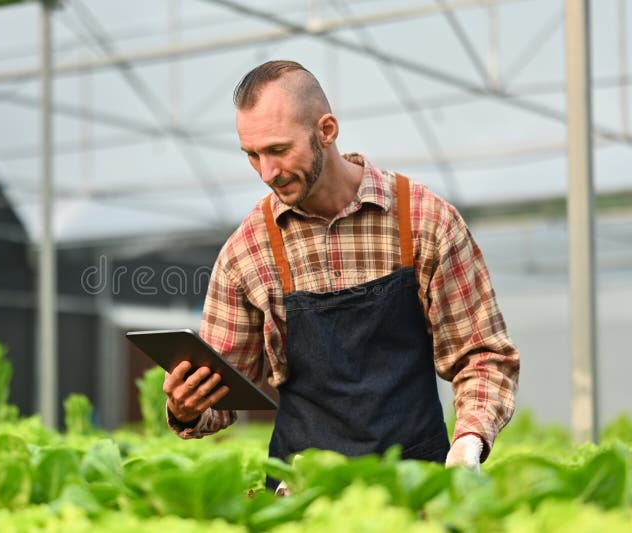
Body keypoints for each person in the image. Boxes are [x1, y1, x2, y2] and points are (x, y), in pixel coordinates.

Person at [163, 60, 519, 491]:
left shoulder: (424, 220)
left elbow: (482, 355)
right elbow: (220, 395)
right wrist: (188, 406)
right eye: (252, 155)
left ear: (326, 130)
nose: (266, 172)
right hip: (299, 495)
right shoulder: (247, 251)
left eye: (278, 150)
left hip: (414, 487)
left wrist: (468, 441)